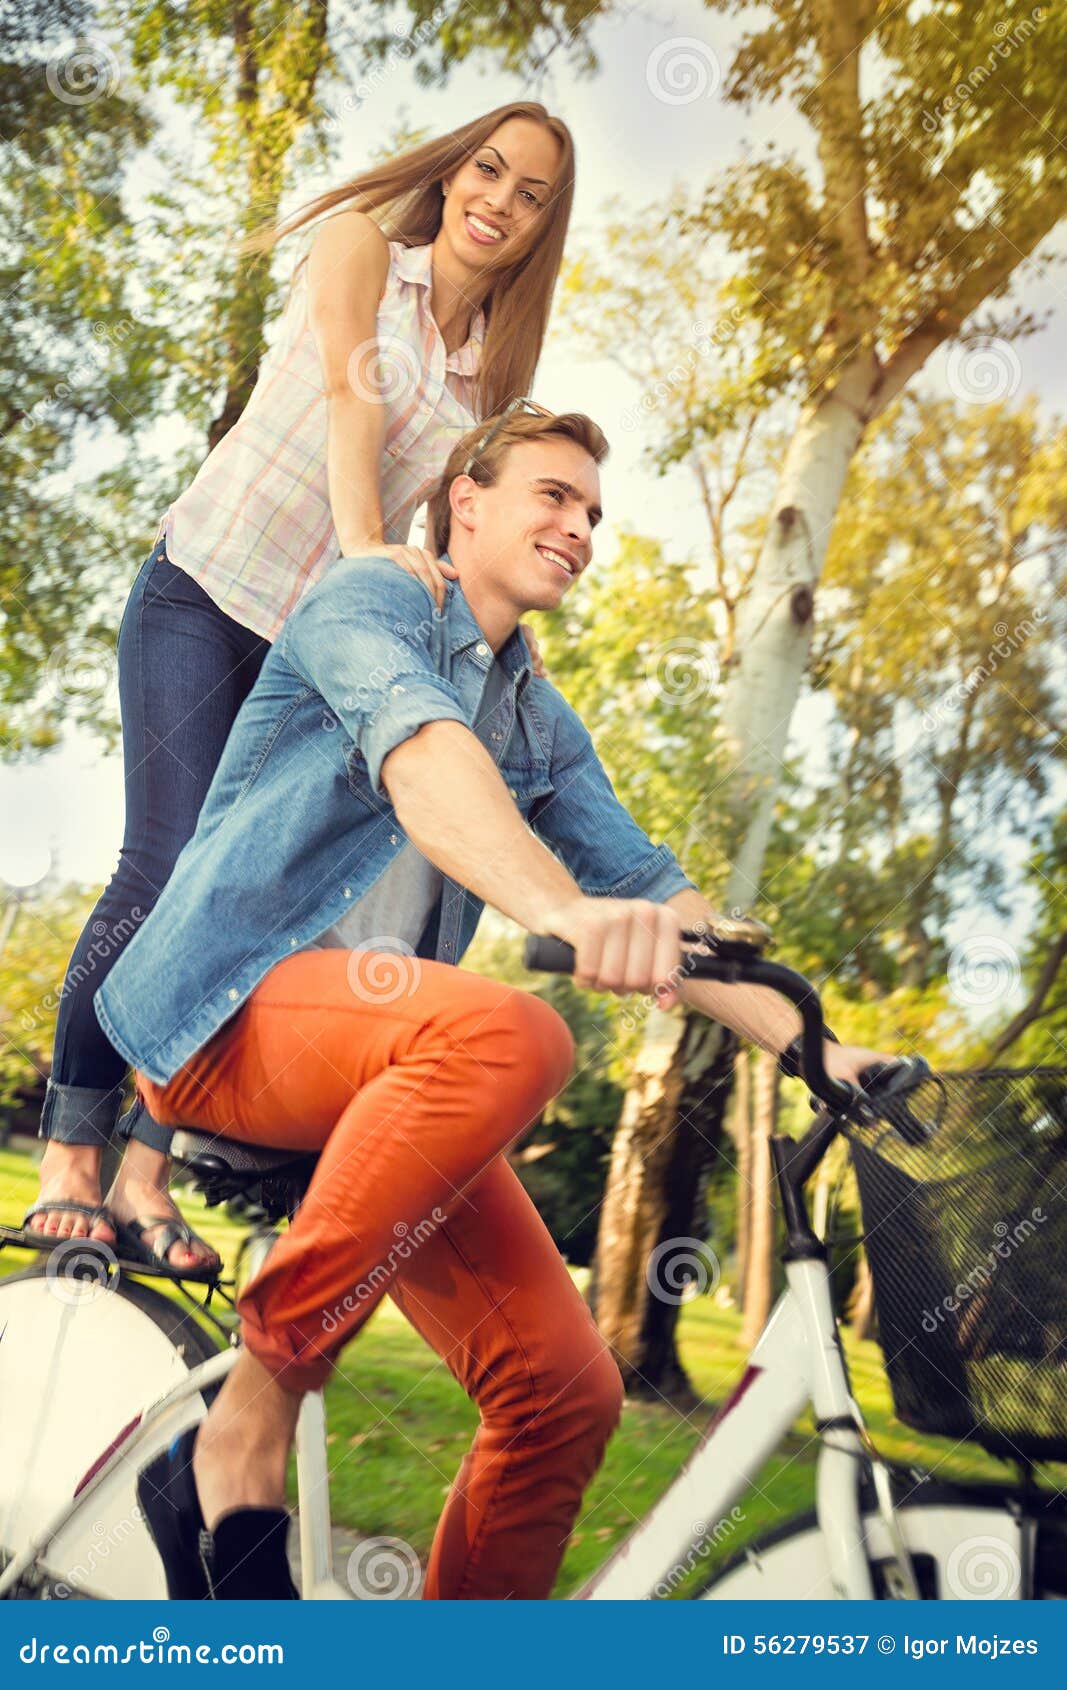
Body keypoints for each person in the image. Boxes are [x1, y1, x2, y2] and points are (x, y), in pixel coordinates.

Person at [97, 407, 897, 1600]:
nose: (576, 527)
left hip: (378, 1089)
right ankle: (248, 1411)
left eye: (591, 513)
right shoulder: (362, 606)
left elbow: (654, 890)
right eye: (551, 495)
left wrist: (816, 1047)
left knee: (565, 1394)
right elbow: (421, 756)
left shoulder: (538, 720)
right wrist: (557, 912)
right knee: (510, 1030)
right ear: (463, 504)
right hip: (218, 1020)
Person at [28, 101, 574, 1277]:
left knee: (254, 906)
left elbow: (462, 523)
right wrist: (368, 540)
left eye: (532, 195)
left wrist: (480, 647)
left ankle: (145, 1167)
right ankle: (71, 1151)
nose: (502, 201)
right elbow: (348, 392)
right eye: (491, 170)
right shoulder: (363, 247)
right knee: (166, 867)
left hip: (307, 663)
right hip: (203, 593)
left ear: (542, 225)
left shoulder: (497, 369)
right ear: (456, 170)